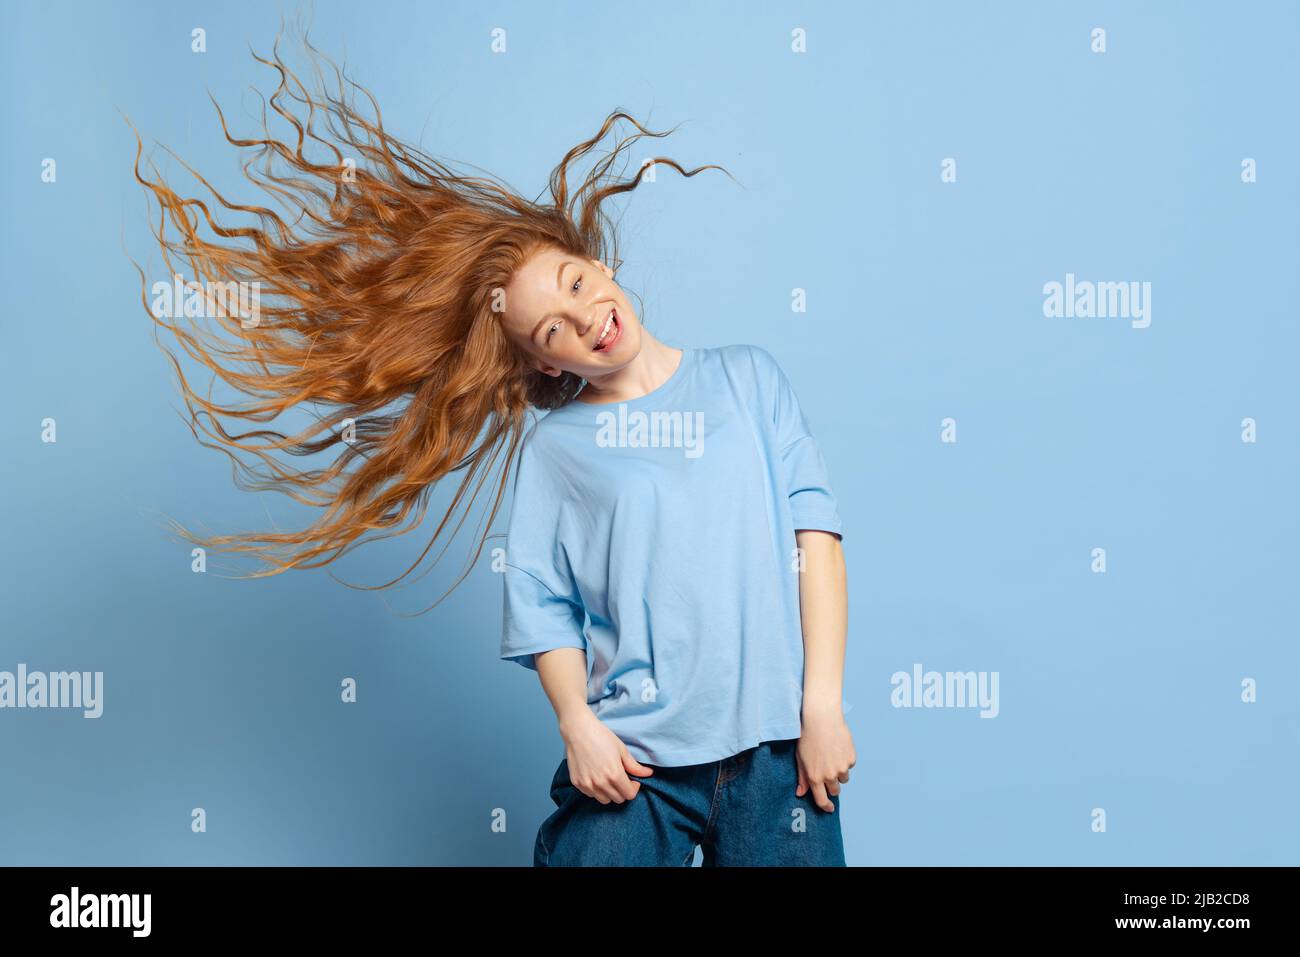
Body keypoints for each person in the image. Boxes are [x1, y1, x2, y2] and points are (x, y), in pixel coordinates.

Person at [130, 32, 854, 867]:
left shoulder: (749, 380)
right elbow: (542, 599)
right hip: (640, 761)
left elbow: (817, 543)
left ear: (597, 261)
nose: (585, 317)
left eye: (578, 285)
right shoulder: (558, 448)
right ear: (545, 360)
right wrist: (578, 723)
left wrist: (823, 704)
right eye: (554, 325)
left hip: (773, 744)